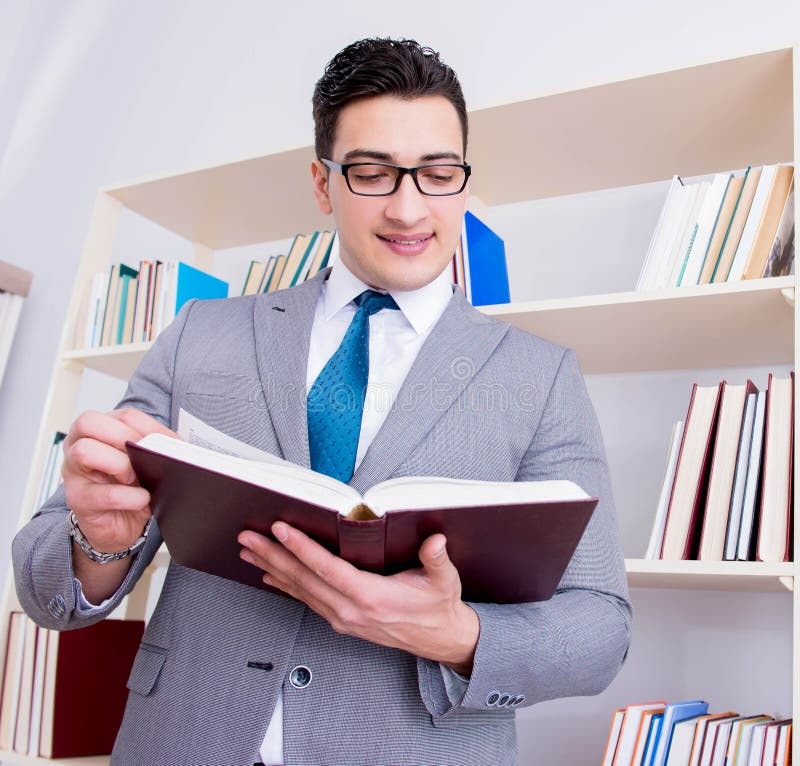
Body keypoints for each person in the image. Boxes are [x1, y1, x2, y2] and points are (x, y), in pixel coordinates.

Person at [12, 38, 631, 766]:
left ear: (463, 181)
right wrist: (101, 539)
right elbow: (46, 592)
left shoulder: (541, 375)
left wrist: (457, 634)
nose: (409, 209)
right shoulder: (200, 337)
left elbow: (600, 630)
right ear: (322, 183)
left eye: (437, 174)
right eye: (372, 173)